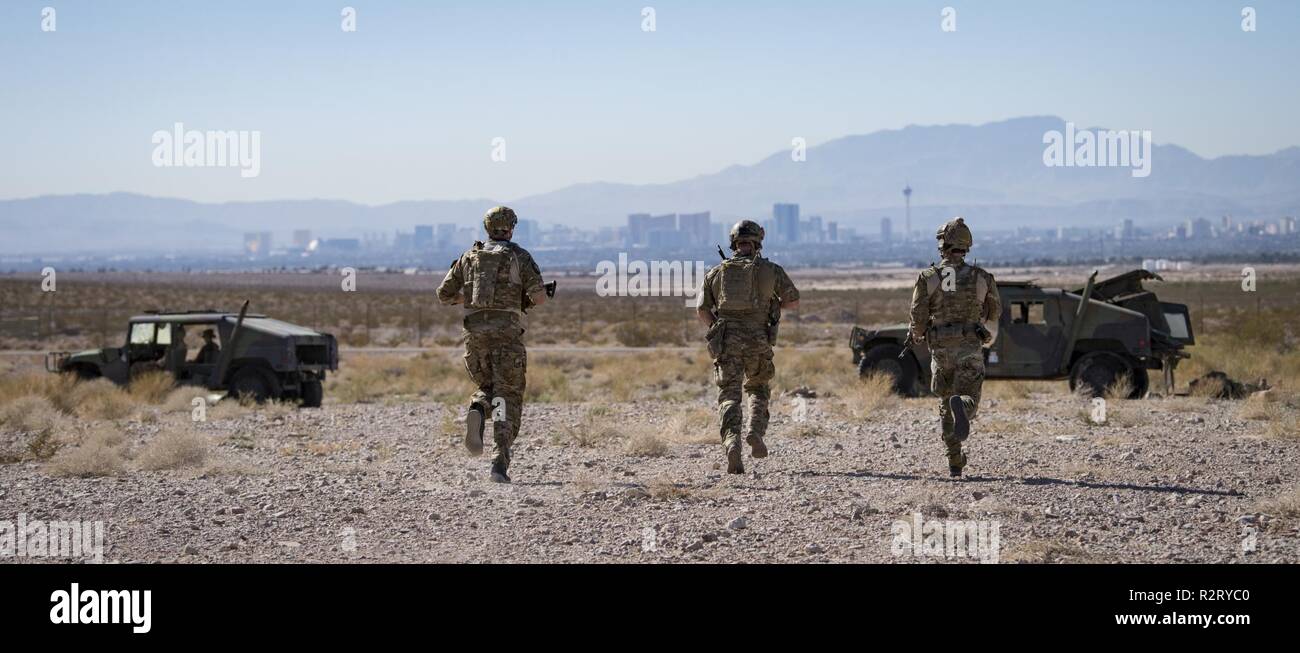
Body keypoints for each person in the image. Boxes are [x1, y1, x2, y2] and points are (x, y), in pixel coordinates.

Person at [437, 206, 549, 483]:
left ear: (487, 228)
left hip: (474, 335)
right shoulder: (518, 256)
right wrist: (521, 298)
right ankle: (499, 463)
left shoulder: (469, 257)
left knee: (488, 389)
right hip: (506, 336)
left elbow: (444, 295)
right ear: (511, 227)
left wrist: (473, 296)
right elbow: (539, 297)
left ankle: (478, 409)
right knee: (508, 396)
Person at [696, 220, 800, 474]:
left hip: (727, 342)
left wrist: (717, 328)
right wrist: (772, 306)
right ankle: (754, 432)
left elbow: (701, 309)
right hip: (758, 341)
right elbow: (793, 301)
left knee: (729, 395)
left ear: (734, 243)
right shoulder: (771, 270)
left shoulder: (716, 272)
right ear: (757, 242)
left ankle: (732, 443)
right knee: (758, 388)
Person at [907, 217, 1001, 478]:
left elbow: (917, 314)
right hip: (969, 347)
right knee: (967, 398)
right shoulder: (982, 277)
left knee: (946, 403)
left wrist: (916, 334)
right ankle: (965, 406)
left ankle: (955, 462)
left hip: (940, 350)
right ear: (966, 246)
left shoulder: (929, 278)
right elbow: (994, 313)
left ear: (942, 245)